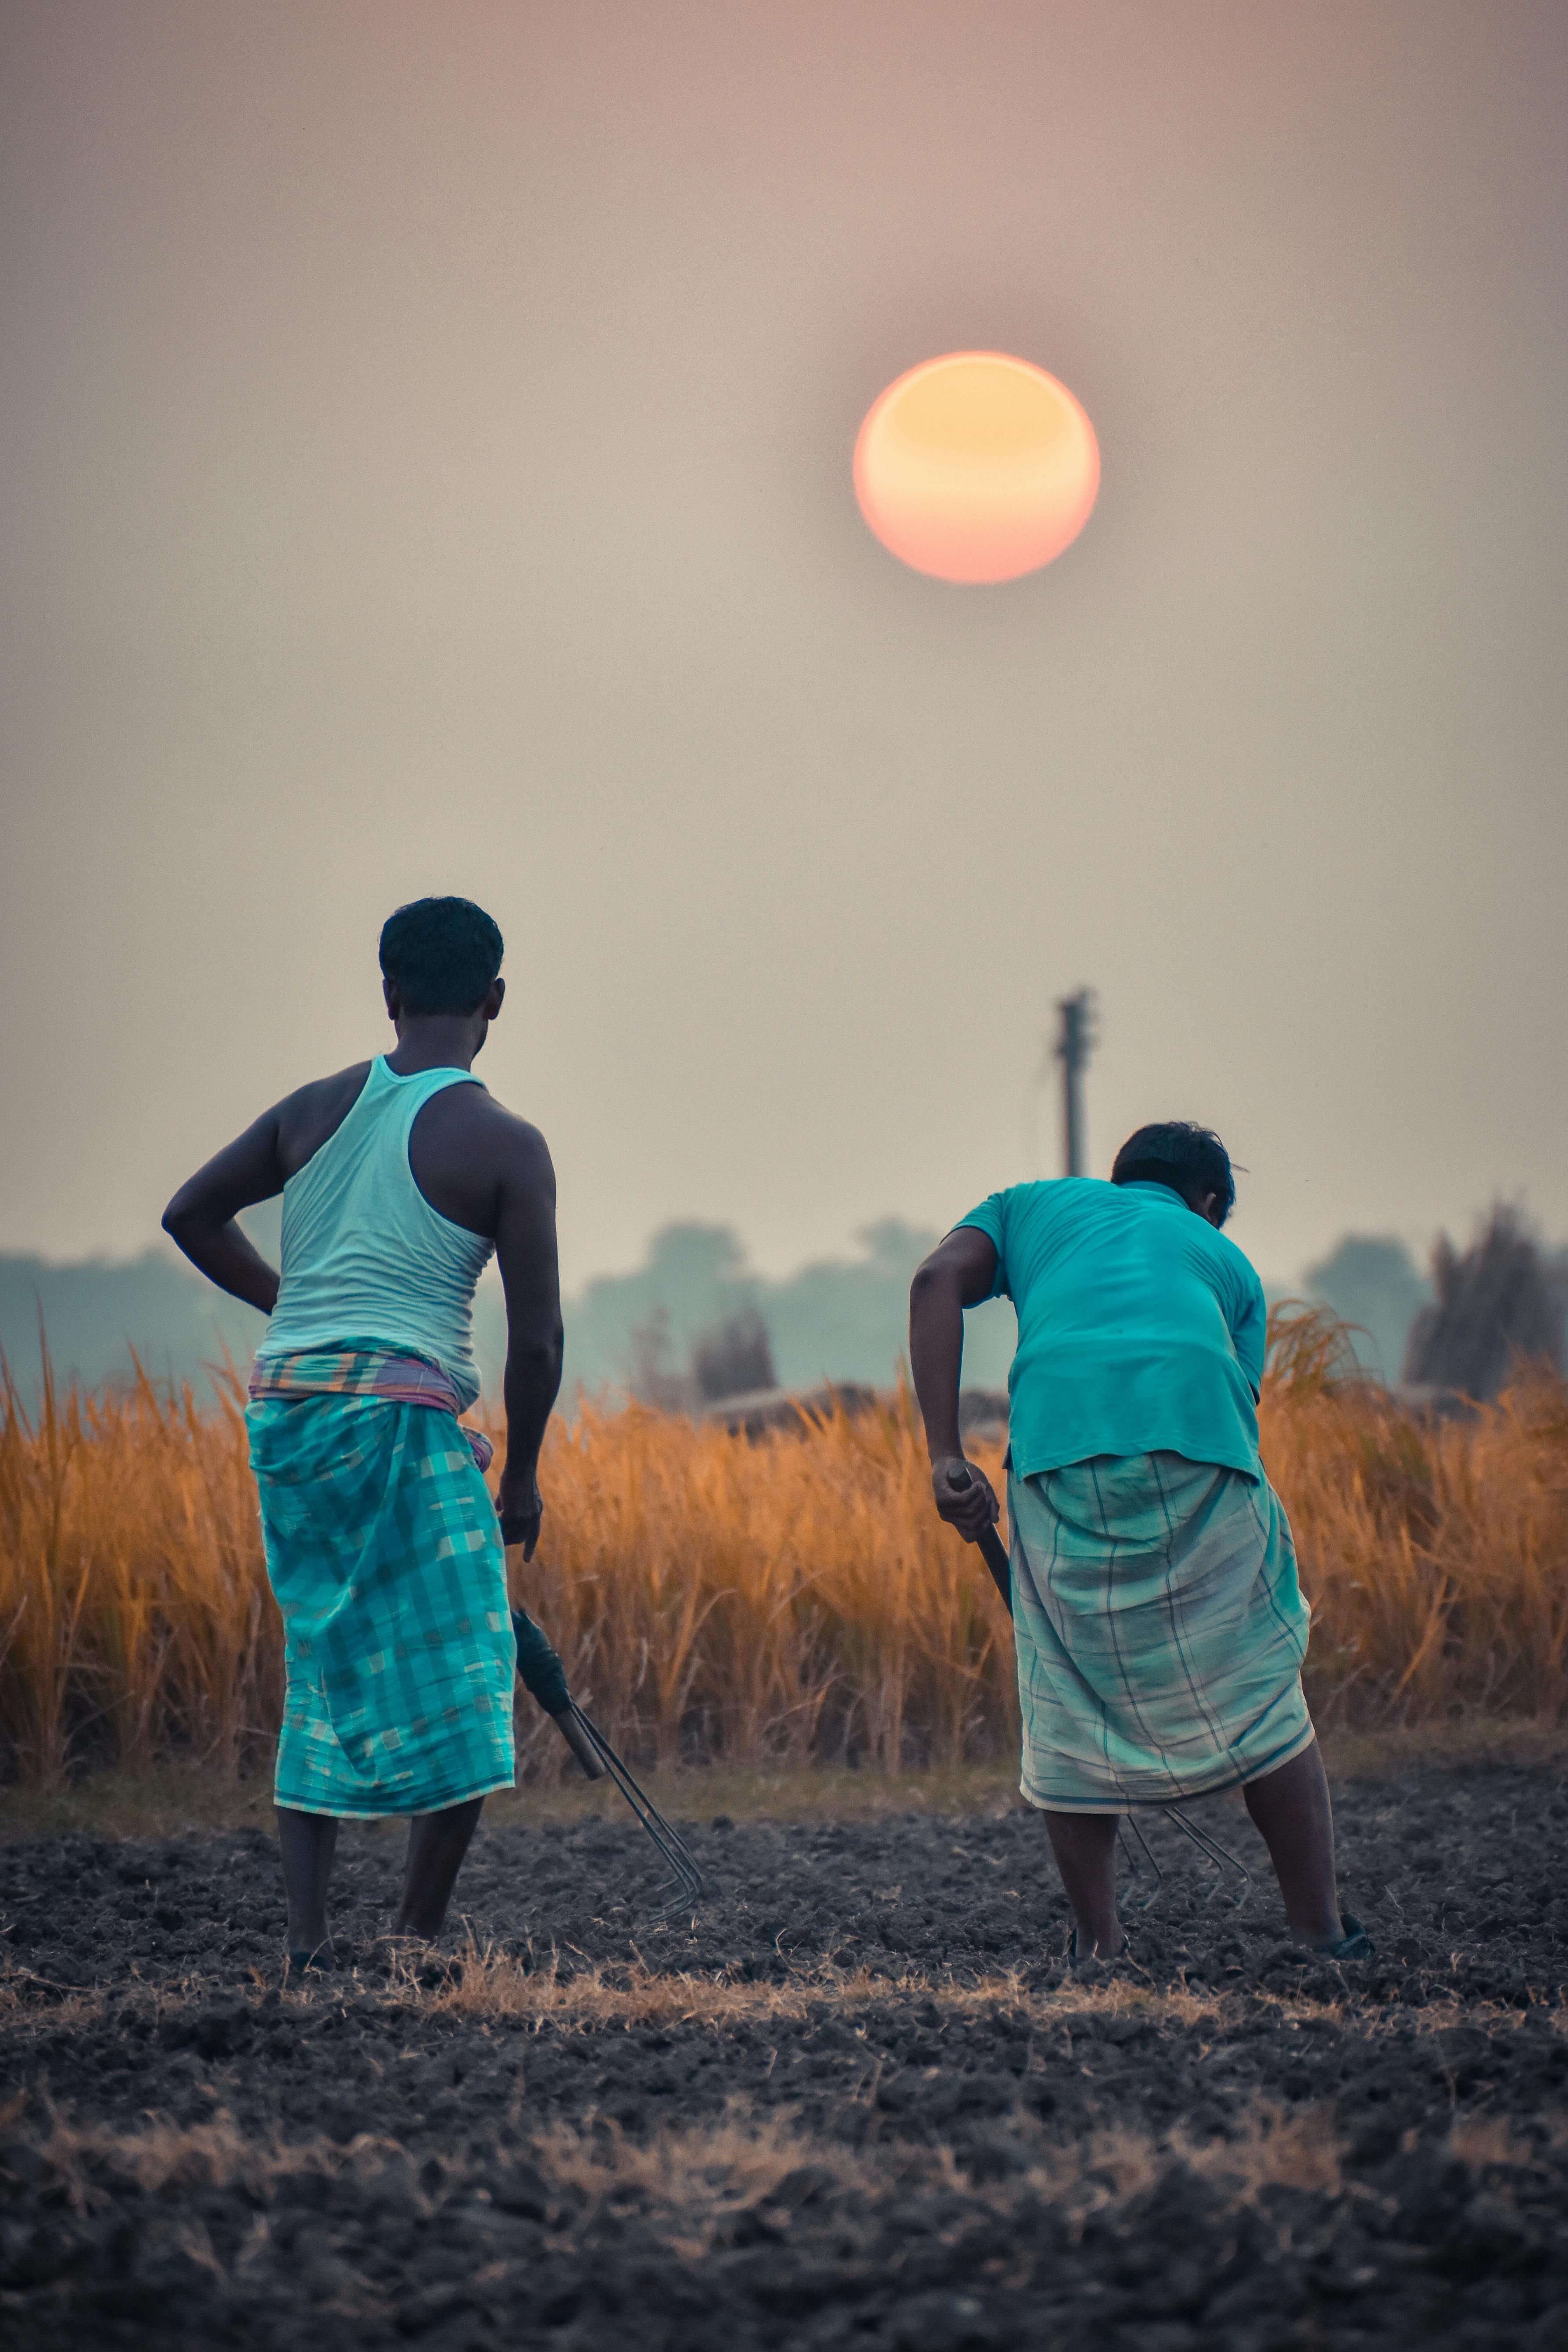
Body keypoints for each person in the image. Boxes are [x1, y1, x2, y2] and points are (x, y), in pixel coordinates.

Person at [163, 896, 562, 1973]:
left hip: (287, 1407)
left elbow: (189, 1213)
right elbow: (536, 1346)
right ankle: (412, 1942)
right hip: (396, 1416)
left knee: (323, 1658)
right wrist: (519, 1479)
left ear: (388, 994)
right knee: (474, 1664)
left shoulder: (310, 1109)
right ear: (495, 1001)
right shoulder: (505, 1143)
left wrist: (298, 1309)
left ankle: (306, 1941)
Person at [908, 1122, 1371, 1971]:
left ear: (1118, 1180)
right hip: (1199, 1451)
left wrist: (946, 1456)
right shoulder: (1225, 1264)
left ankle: (1098, 1945)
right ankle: (1319, 1934)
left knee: (1064, 1694)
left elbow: (937, 1278)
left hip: (1053, 1457)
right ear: (1209, 1204)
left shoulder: (1026, 1209)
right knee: (1263, 1687)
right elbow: (1232, 1411)